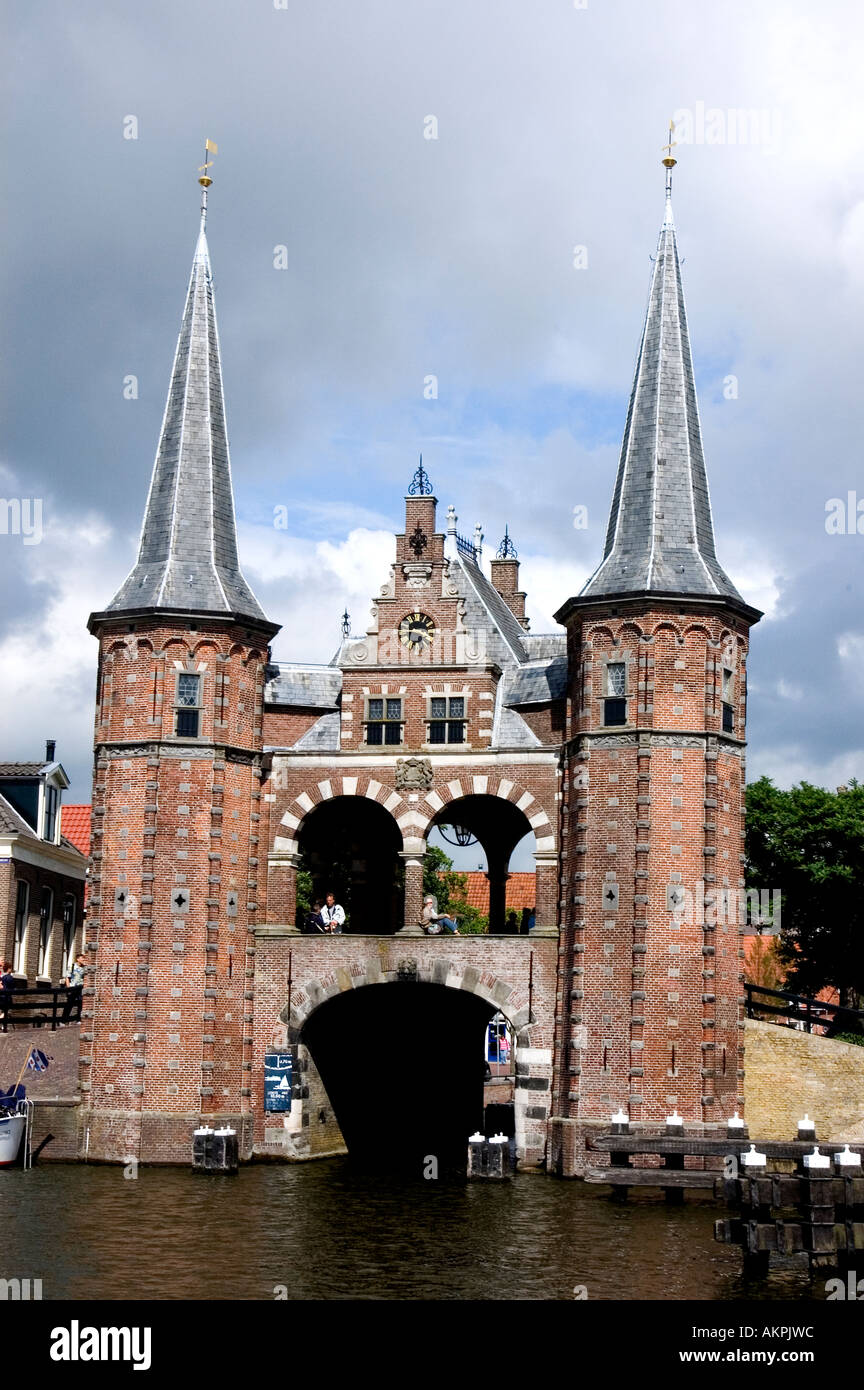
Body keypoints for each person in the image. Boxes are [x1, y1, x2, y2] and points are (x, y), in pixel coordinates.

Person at [61, 953, 86, 1024]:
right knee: (69, 1004)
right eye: (82, 958)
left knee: (80, 1004)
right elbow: (67, 977)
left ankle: (79, 1020)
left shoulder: (84, 968)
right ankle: (63, 1020)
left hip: (80, 988)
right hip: (72, 988)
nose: (83, 960)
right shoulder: (72, 966)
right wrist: (68, 988)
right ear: (78, 959)